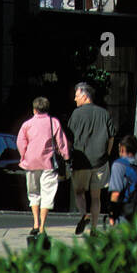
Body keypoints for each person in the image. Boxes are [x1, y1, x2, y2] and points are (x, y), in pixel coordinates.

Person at [16, 96, 69, 240]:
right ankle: (42, 226)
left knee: (33, 193)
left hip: (31, 162)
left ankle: (35, 222)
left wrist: (24, 156)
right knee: (47, 193)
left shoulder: (27, 124)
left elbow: (20, 143)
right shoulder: (54, 122)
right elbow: (61, 143)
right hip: (48, 163)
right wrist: (66, 157)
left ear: (34, 110)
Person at [67, 82, 115, 234]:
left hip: (81, 161)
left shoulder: (76, 114)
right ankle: (94, 228)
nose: (75, 99)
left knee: (79, 192)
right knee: (96, 197)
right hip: (100, 161)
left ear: (84, 96)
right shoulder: (104, 113)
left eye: (76, 96)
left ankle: (84, 214)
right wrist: (106, 154)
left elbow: (69, 137)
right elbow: (111, 137)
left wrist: (68, 156)